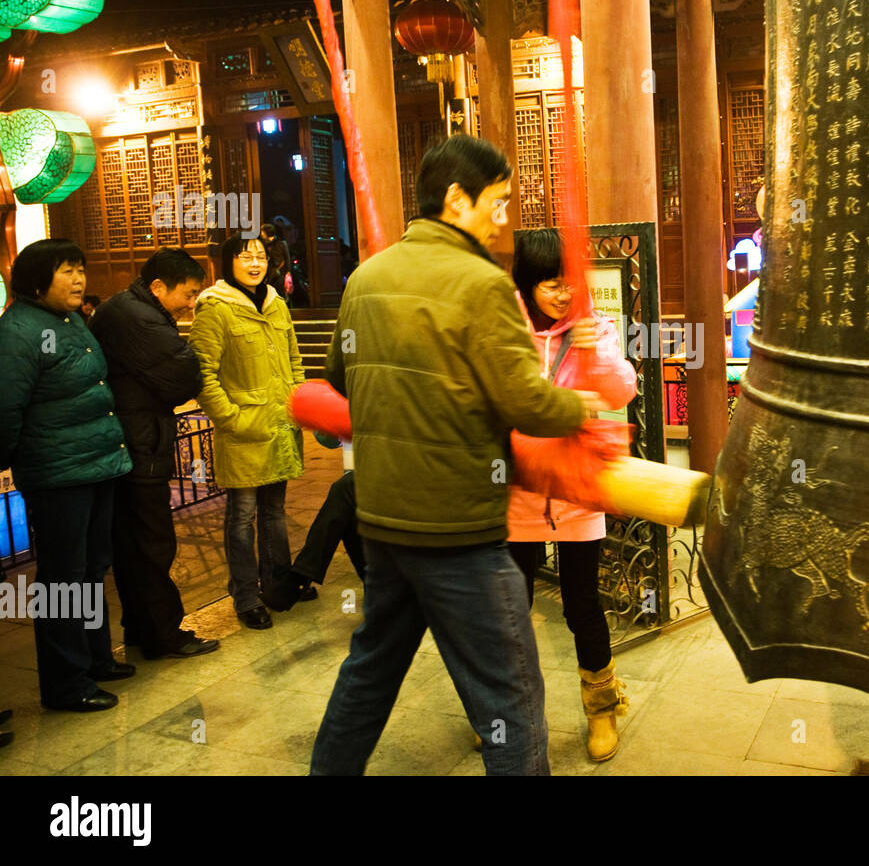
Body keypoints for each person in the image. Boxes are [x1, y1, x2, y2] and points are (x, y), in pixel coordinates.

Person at [309, 134, 608, 776]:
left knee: (370, 672)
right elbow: (527, 403)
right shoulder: (482, 285)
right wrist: (582, 410)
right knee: (513, 697)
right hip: (458, 529)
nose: (504, 219)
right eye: (497, 203)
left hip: (385, 521)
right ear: (455, 199)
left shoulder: (367, 277)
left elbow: (339, 377)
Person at [507, 228, 637, 761]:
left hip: (578, 490)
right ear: (528, 283)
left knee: (583, 606)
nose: (562, 295)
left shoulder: (593, 326)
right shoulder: (505, 329)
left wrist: (596, 357)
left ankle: (601, 710)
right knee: (512, 610)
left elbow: (621, 390)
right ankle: (504, 712)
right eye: (551, 285)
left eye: (568, 284)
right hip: (518, 489)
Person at [0, 239, 133, 711]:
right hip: (58, 474)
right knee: (62, 581)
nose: (79, 280)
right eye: (66, 271)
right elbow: (7, 407)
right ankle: (65, 683)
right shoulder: (18, 331)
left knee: (93, 568)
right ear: (37, 278)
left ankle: (96, 659)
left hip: (96, 463)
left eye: (80, 269)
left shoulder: (69, 320)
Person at [89, 248, 220, 661]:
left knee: (133, 545)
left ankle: (143, 630)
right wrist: (191, 364)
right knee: (152, 542)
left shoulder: (126, 308)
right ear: (159, 287)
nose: (191, 303)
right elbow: (183, 377)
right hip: (140, 444)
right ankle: (165, 635)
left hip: (133, 441)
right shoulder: (138, 317)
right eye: (188, 293)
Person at [188, 234, 305, 630]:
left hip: (279, 424)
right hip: (243, 430)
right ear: (228, 263)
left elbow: (294, 358)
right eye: (245, 256)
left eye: (260, 256)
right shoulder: (216, 308)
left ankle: (277, 585)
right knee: (242, 517)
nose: (254, 263)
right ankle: (246, 596)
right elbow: (202, 373)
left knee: (275, 512)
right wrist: (230, 418)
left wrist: (298, 400)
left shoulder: (276, 304)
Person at [262, 431, 362, 611]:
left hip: (391, 474)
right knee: (345, 513)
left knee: (343, 496)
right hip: (361, 472)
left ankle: (298, 579)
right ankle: (299, 579)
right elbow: (328, 439)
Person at [259, 224, 290, 300]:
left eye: (262, 232)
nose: (261, 234)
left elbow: (287, 257)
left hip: (280, 270)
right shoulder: (264, 244)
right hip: (269, 270)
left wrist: (288, 271)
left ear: (267, 232)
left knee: (280, 290)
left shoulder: (281, 243)